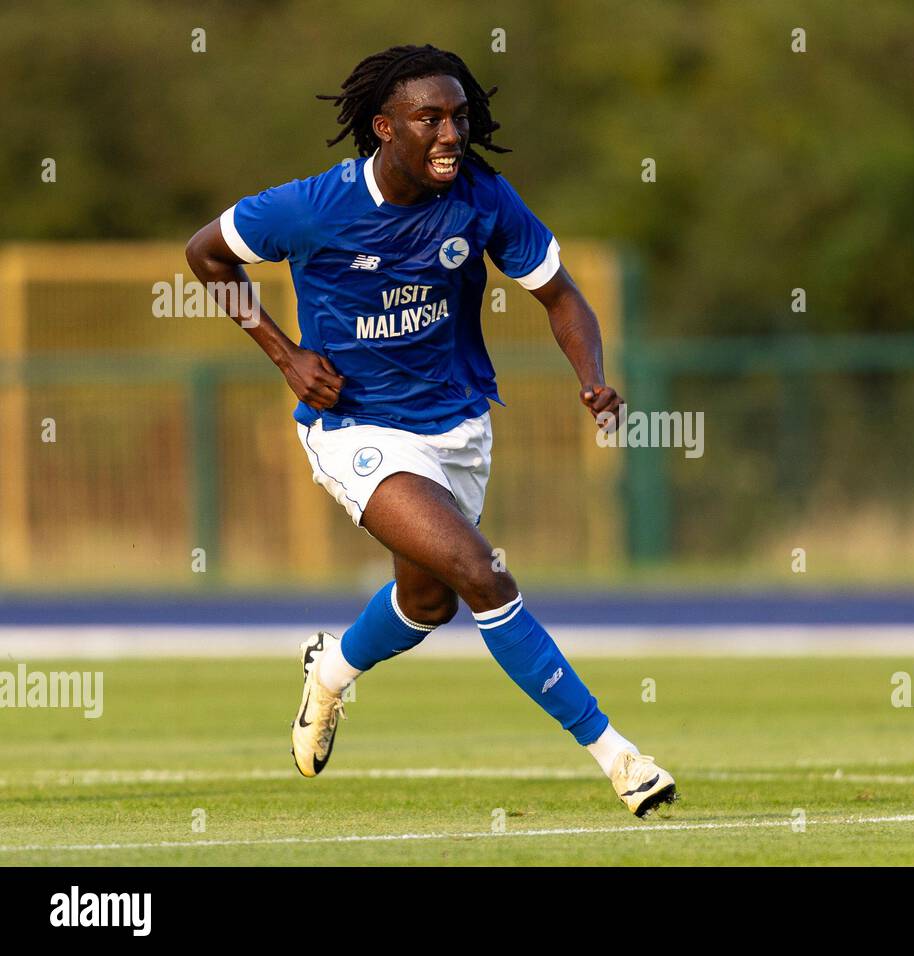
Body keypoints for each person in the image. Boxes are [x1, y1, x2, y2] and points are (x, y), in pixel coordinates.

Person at [184, 43, 676, 817]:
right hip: (354, 430)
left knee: (427, 603)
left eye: (459, 117)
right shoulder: (311, 208)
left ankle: (330, 673)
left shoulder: (483, 198)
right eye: (431, 119)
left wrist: (592, 377)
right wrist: (286, 357)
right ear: (385, 128)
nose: (451, 134)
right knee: (483, 574)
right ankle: (622, 760)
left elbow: (561, 297)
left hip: (459, 429)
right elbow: (206, 255)